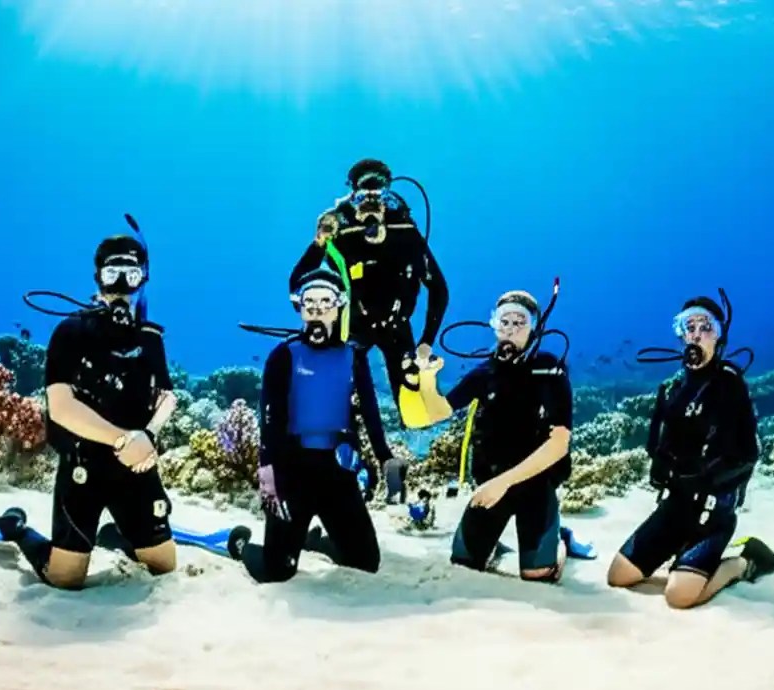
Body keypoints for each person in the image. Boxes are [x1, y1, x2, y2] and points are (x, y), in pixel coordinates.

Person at [0, 232, 180, 590]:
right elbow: (61, 408)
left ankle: (119, 532)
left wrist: (149, 435)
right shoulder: (71, 332)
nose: (122, 286)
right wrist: (126, 440)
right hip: (84, 468)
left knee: (164, 567)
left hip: (137, 469)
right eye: (112, 275)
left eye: (131, 274)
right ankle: (14, 528)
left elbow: (168, 396)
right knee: (65, 579)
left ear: (143, 280)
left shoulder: (150, 338)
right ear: (97, 279)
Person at [610, 291, 774, 609]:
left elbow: (747, 454)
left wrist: (709, 477)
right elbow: (656, 444)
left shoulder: (730, 385)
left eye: (706, 328)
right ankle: (685, 559)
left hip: (712, 512)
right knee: (619, 576)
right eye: (690, 327)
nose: (697, 335)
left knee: (678, 596)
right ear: (681, 334)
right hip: (675, 506)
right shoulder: (671, 387)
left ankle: (744, 561)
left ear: (719, 336)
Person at [242, 265, 404, 583]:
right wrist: (267, 469)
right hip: (291, 471)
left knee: (366, 562)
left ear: (339, 306)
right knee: (277, 573)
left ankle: (316, 541)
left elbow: (370, 412)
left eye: (325, 303)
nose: (317, 311)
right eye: (309, 304)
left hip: (338, 472)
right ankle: (241, 545)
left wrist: (386, 458)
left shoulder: (353, 357)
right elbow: (269, 417)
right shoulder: (283, 355)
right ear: (299, 308)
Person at [410, 289, 575, 582]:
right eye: (504, 321)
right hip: (492, 483)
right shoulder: (484, 372)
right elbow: (437, 412)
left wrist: (503, 483)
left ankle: (560, 543)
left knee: (538, 575)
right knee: (463, 564)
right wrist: (427, 377)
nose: (511, 330)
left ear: (534, 327)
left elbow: (559, 444)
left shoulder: (549, 369)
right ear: (493, 324)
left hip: (534, 484)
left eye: (520, 322)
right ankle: (496, 545)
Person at [288, 158, 449, 424]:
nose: (371, 203)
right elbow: (297, 283)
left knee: (415, 416)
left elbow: (439, 290)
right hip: (350, 327)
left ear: (388, 195)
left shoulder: (405, 232)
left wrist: (426, 342)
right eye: (363, 196)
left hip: (396, 326)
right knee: (335, 407)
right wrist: (319, 243)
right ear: (352, 196)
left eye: (379, 195)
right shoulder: (340, 233)